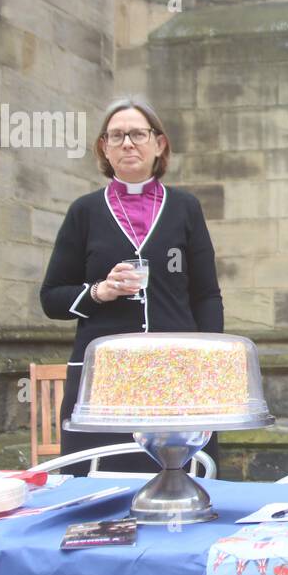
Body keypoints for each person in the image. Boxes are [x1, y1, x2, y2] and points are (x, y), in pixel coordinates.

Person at [40, 96, 224, 473]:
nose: (128, 143)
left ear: (159, 144)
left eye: (138, 134)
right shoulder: (84, 212)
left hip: (176, 371)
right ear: (104, 148)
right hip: (104, 377)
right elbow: (51, 298)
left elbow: (206, 295)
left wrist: (211, 368)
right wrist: (98, 292)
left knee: (176, 477)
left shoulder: (185, 207)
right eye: (117, 136)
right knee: (100, 480)